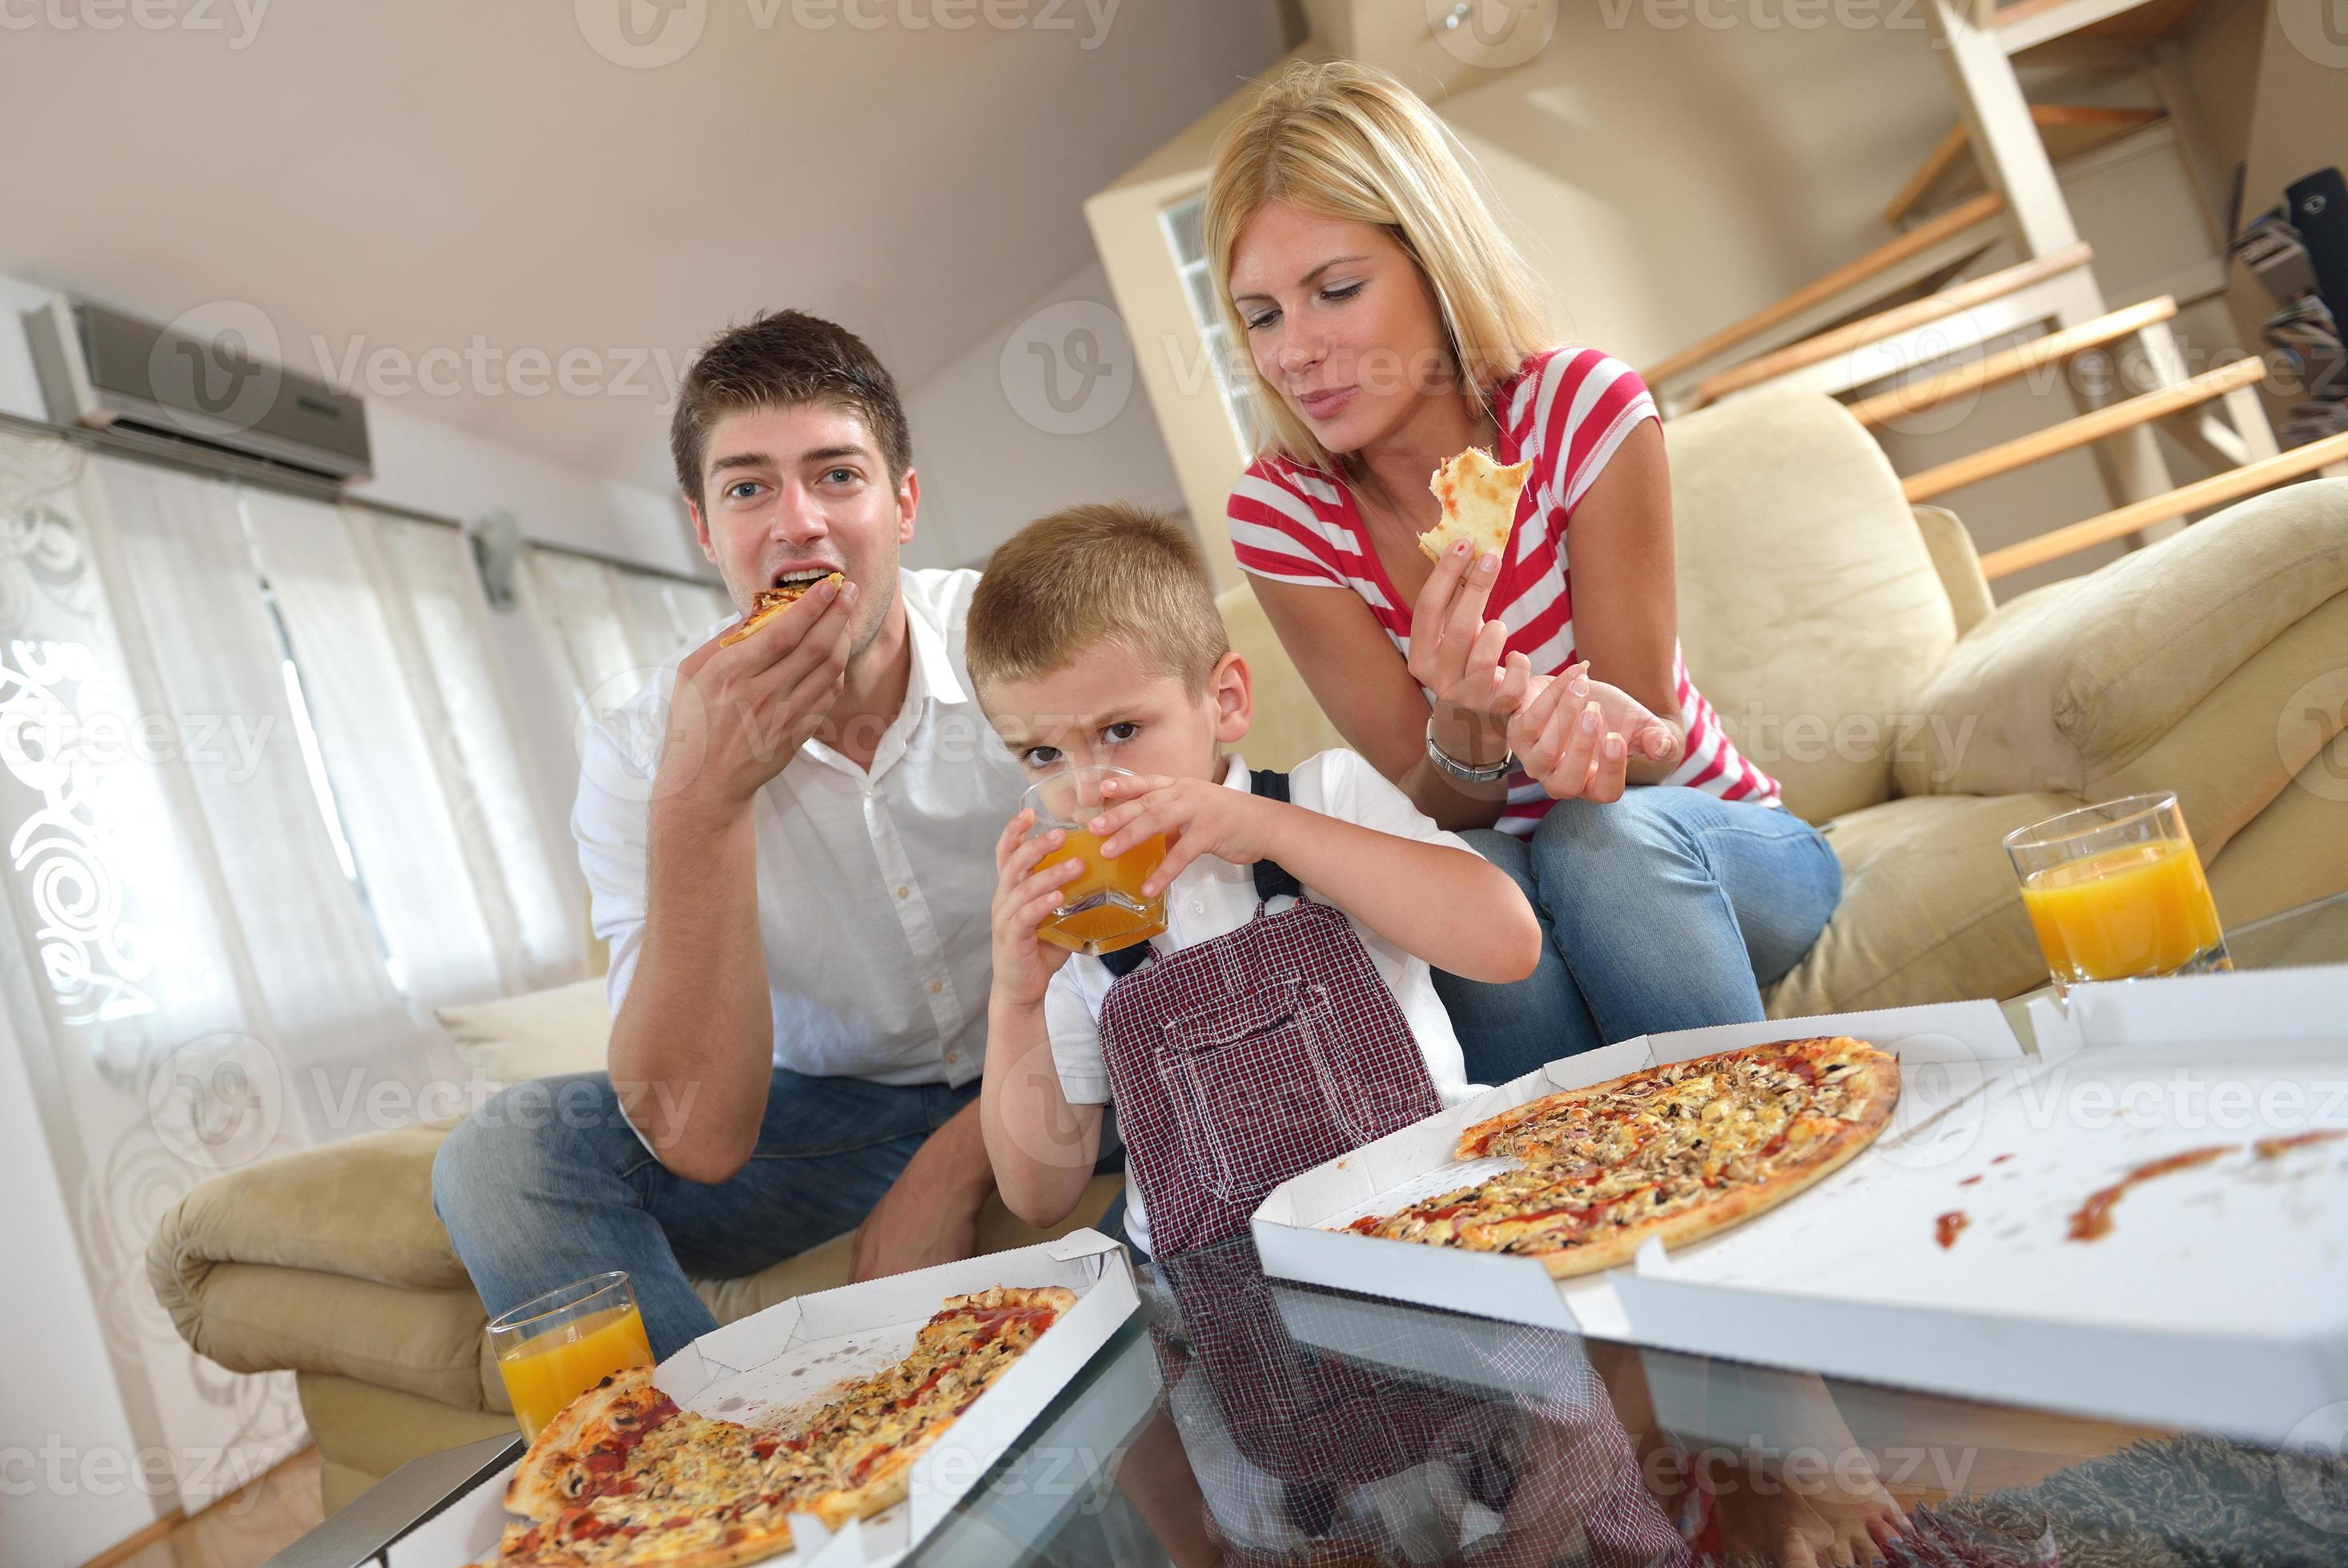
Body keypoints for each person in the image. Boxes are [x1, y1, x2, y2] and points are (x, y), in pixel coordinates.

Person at [433, 310, 1051, 1360]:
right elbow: (700, 1137)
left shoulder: (1028, 636)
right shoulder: (640, 752)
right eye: (749, 487)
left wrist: (960, 1159)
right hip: (841, 1120)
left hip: (1075, 1054)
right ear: (705, 530)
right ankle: (709, 1479)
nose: (797, 522)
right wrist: (702, 801)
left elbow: (1168, 935)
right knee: (507, 1157)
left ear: (903, 503)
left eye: (837, 476)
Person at [1209, 61, 1842, 1084]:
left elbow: (1642, 739)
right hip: (1520, 890)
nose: (1296, 351)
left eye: (1335, 291)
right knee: (1477, 879)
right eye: (1263, 314)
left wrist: (1579, 726)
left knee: (1597, 846)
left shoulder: (1582, 409)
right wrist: (1464, 734)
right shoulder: (1282, 515)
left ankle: (1759, 1155)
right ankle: (1582, 1206)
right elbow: (1432, 811)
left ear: (1434, 262)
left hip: (1702, 844)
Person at [965, 501, 1538, 1259]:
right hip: (1231, 1286)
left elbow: (1505, 945)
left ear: (1225, 700)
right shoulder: (1082, 929)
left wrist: (1271, 829)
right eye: (1042, 756)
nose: (1088, 786)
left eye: (1122, 732)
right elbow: (1040, 1194)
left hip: (1430, 1217)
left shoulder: (1325, 798)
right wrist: (1016, 997)